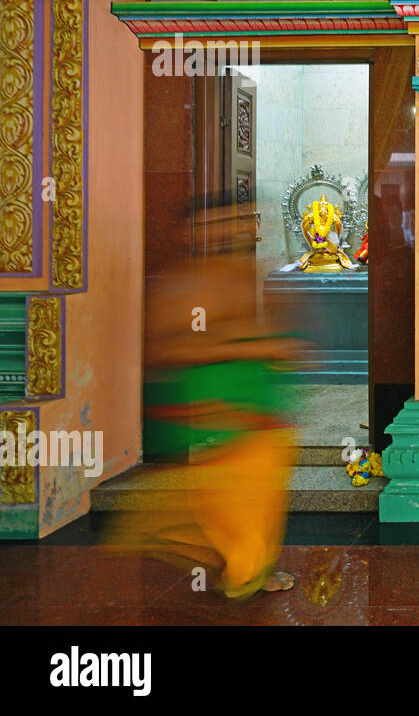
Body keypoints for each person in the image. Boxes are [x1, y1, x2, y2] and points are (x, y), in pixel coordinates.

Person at [107, 203, 303, 598]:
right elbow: (172, 349)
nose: (236, 233)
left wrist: (276, 346)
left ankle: (251, 564)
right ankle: (240, 564)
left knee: (261, 487)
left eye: (242, 223)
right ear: (197, 232)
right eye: (224, 225)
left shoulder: (245, 273)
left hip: (250, 399)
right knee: (222, 494)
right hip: (209, 403)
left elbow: (258, 325)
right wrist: (241, 349)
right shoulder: (184, 283)